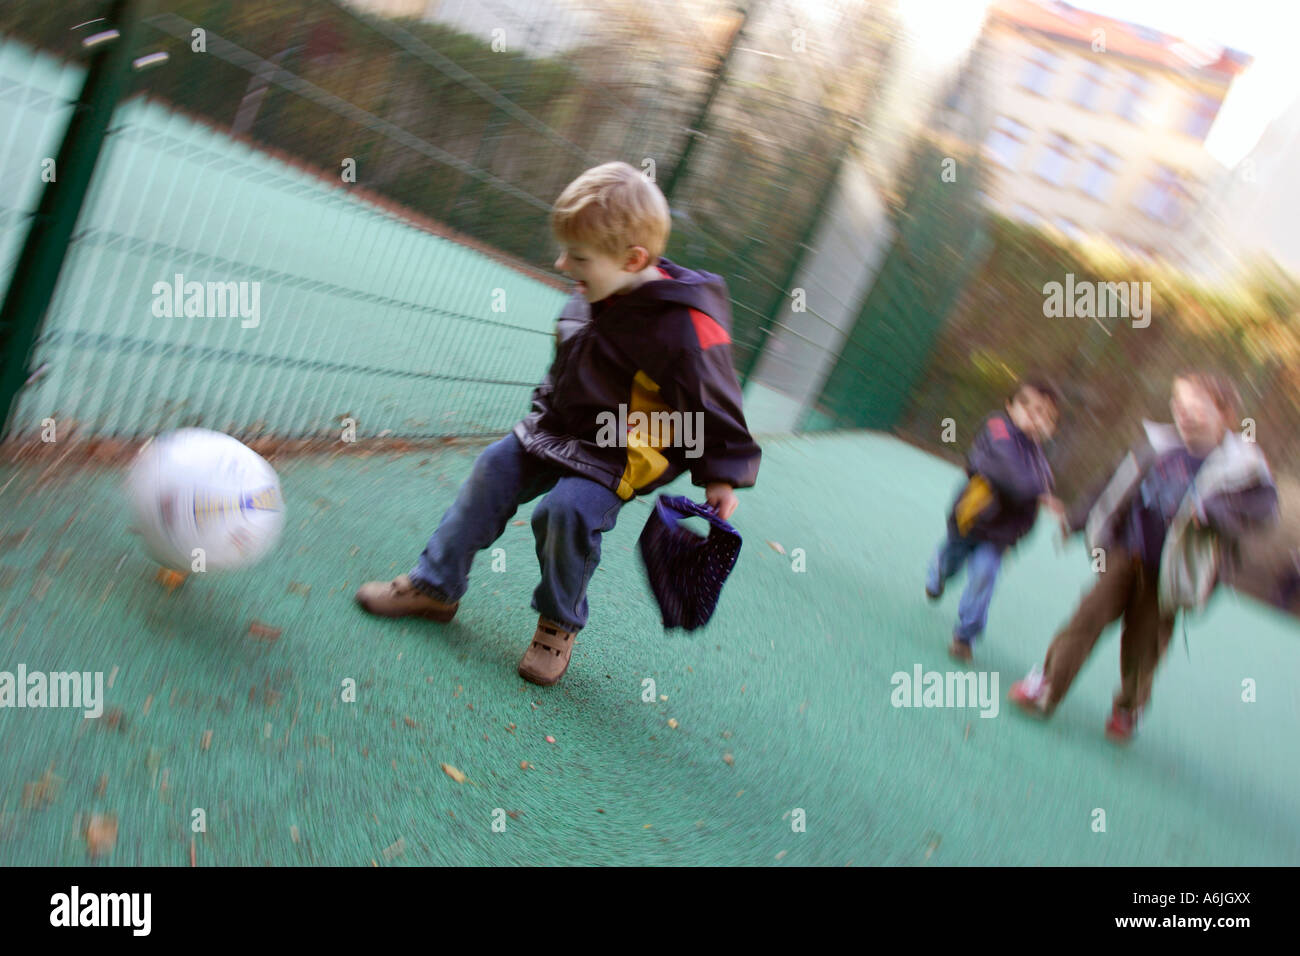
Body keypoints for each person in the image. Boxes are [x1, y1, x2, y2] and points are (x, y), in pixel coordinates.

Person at [354, 161, 761, 685]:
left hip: (621, 448)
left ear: (634, 258)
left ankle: (558, 623)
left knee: (565, 511)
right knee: (492, 471)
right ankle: (435, 586)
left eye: (578, 257)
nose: (562, 261)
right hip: (559, 426)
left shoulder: (686, 326)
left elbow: (717, 405)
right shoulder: (596, 284)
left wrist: (722, 476)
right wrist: (546, 410)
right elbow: (570, 359)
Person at [1009, 372, 1279, 741]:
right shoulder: (1158, 445)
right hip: (1127, 555)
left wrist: (1215, 513)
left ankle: (1129, 706)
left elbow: (1264, 510)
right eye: (1178, 404)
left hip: (1171, 574)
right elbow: (1113, 481)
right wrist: (1078, 516)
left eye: (1196, 405)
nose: (1184, 412)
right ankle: (1047, 685)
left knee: (1142, 646)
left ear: (1225, 413)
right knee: (1085, 618)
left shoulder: (1242, 465)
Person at [926, 379, 1063, 663]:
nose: (1039, 420)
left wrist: (1015, 537)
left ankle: (964, 637)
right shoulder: (997, 430)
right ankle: (938, 571)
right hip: (971, 519)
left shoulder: (1039, 459)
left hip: (998, 535)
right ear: (1011, 407)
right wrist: (1038, 491)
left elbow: (1032, 503)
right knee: (952, 560)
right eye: (1033, 410)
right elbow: (1010, 474)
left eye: (1047, 417)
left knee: (984, 576)